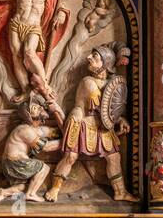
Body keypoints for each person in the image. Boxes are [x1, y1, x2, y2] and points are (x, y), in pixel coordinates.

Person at [47, 43, 134, 202]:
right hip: (82, 123)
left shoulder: (109, 83)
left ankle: (120, 191)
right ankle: (54, 188)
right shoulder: (88, 82)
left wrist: (120, 118)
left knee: (114, 158)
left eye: (95, 57)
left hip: (101, 125)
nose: (89, 57)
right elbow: (102, 106)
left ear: (105, 64)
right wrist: (116, 118)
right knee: (70, 157)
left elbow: (111, 107)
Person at [0, 95, 61, 207]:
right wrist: (65, 142)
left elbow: (52, 132)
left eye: (39, 106)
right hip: (14, 163)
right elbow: (46, 147)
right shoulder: (25, 130)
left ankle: (3, 193)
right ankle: (31, 194)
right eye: (35, 108)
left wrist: (66, 130)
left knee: (24, 187)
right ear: (28, 115)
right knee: (44, 168)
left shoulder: (35, 129)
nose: (40, 108)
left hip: (14, 163)